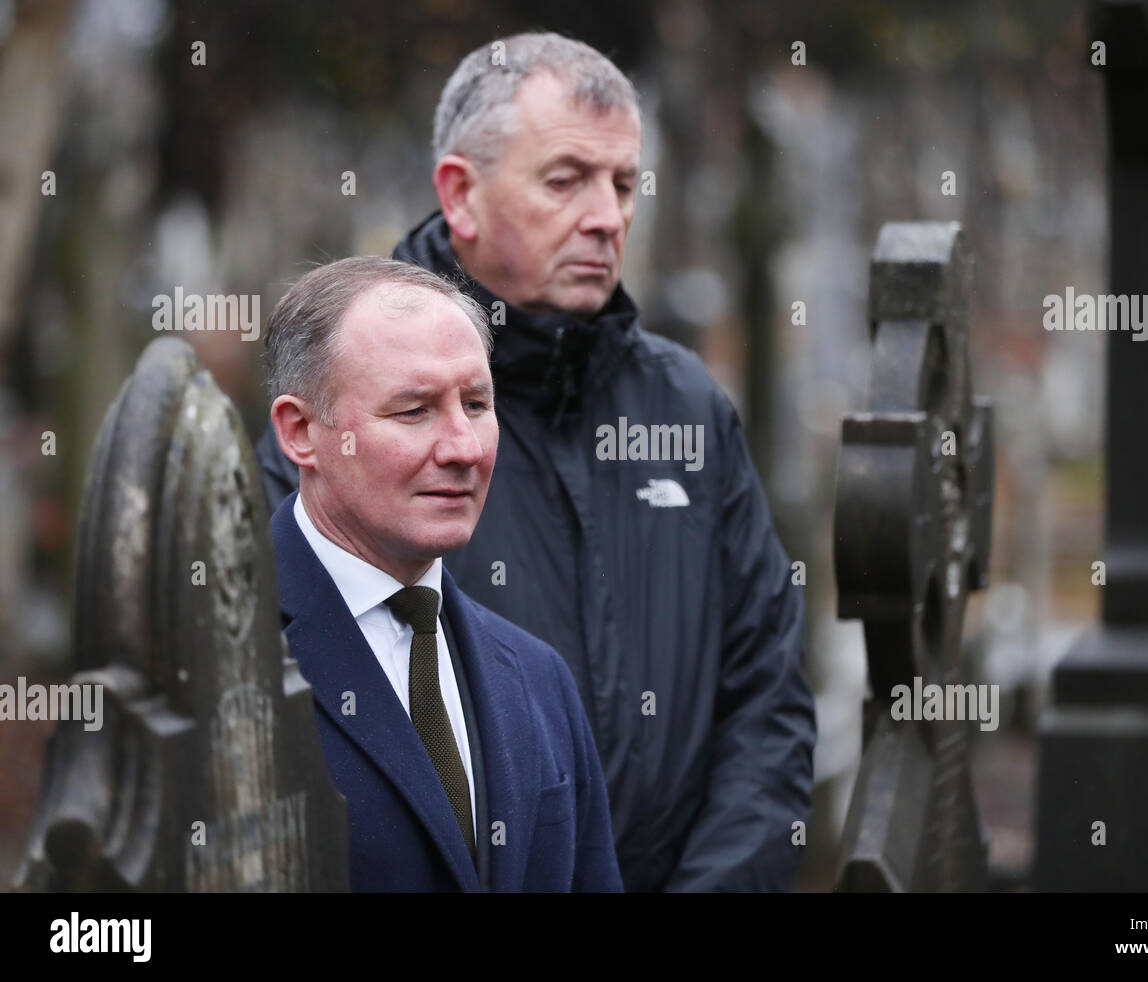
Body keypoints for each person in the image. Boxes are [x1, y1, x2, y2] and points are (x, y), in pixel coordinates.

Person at [256, 33, 816, 892]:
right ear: (461, 195)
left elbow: (768, 700)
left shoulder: (687, 409)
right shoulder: (339, 394)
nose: (606, 216)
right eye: (566, 180)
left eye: (624, 184)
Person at [263, 255, 621, 892]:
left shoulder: (539, 679)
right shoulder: (215, 662)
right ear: (301, 432)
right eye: (414, 411)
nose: (464, 448)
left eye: (477, 404)